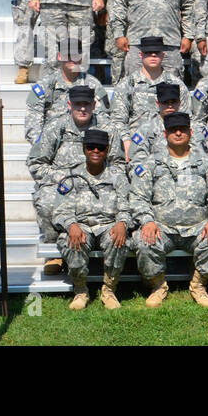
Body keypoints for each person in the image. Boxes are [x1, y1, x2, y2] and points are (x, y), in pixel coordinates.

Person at [129, 112, 208, 308]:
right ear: (164, 133)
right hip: (162, 227)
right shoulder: (152, 163)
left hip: (197, 227)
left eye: (182, 130)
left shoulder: (206, 163)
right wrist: (147, 220)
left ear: (190, 132)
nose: (178, 133)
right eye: (173, 130)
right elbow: (138, 197)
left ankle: (199, 285)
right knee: (143, 241)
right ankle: (158, 286)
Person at [28, 85, 121, 251]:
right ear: (69, 105)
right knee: (47, 202)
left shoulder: (107, 128)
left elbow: (118, 164)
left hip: (99, 182)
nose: (83, 109)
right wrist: (64, 178)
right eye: (78, 104)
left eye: (86, 104)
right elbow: (36, 164)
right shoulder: (55, 127)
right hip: (63, 184)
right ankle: (54, 251)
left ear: (94, 105)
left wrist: (104, 178)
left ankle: (102, 243)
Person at [52, 129, 130, 310]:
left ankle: (109, 290)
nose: (96, 151)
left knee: (118, 239)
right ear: (84, 149)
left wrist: (122, 222)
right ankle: (80, 291)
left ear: (107, 150)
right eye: (91, 147)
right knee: (70, 240)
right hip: (81, 225)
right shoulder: (71, 176)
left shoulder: (117, 176)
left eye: (101, 148)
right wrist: (71, 225)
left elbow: (126, 206)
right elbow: (60, 210)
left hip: (108, 224)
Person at [23, 39, 110, 145]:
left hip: (86, 145)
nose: (72, 59)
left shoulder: (93, 85)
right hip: (52, 145)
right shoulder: (44, 86)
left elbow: (104, 118)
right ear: (59, 56)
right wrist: (44, 146)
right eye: (67, 55)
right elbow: (33, 123)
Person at [109, 36, 190, 146]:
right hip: (135, 143)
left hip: (168, 145)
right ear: (140, 55)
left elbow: (186, 118)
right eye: (148, 52)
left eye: (157, 52)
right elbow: (118, 120)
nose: (153, 55)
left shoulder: (176, 85)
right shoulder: (127, 84)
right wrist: (126, 141)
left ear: (163, 55)